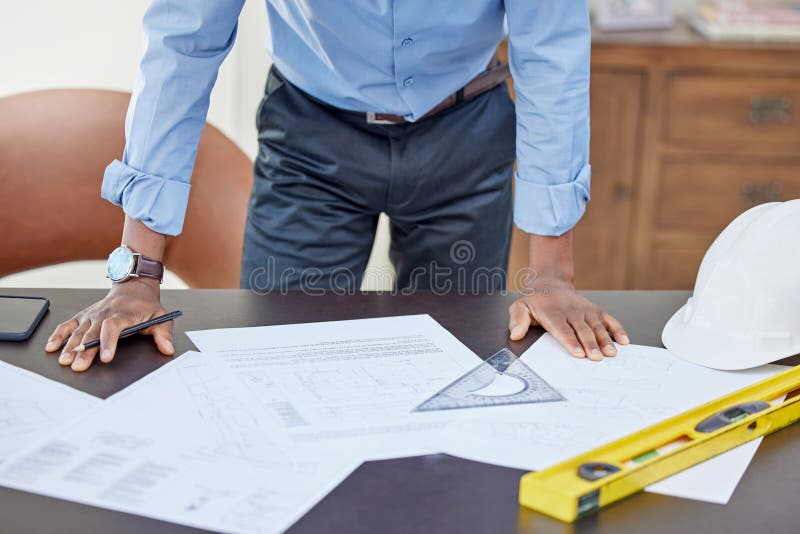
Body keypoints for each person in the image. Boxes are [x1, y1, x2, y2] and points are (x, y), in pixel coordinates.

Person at [46, 1, 629, 372]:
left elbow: (550, 55)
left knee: (457, 364)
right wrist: (138, 277)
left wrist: (550, 276)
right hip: (310, 135)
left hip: (465, 132)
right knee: (279, 360)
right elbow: (183, 48)